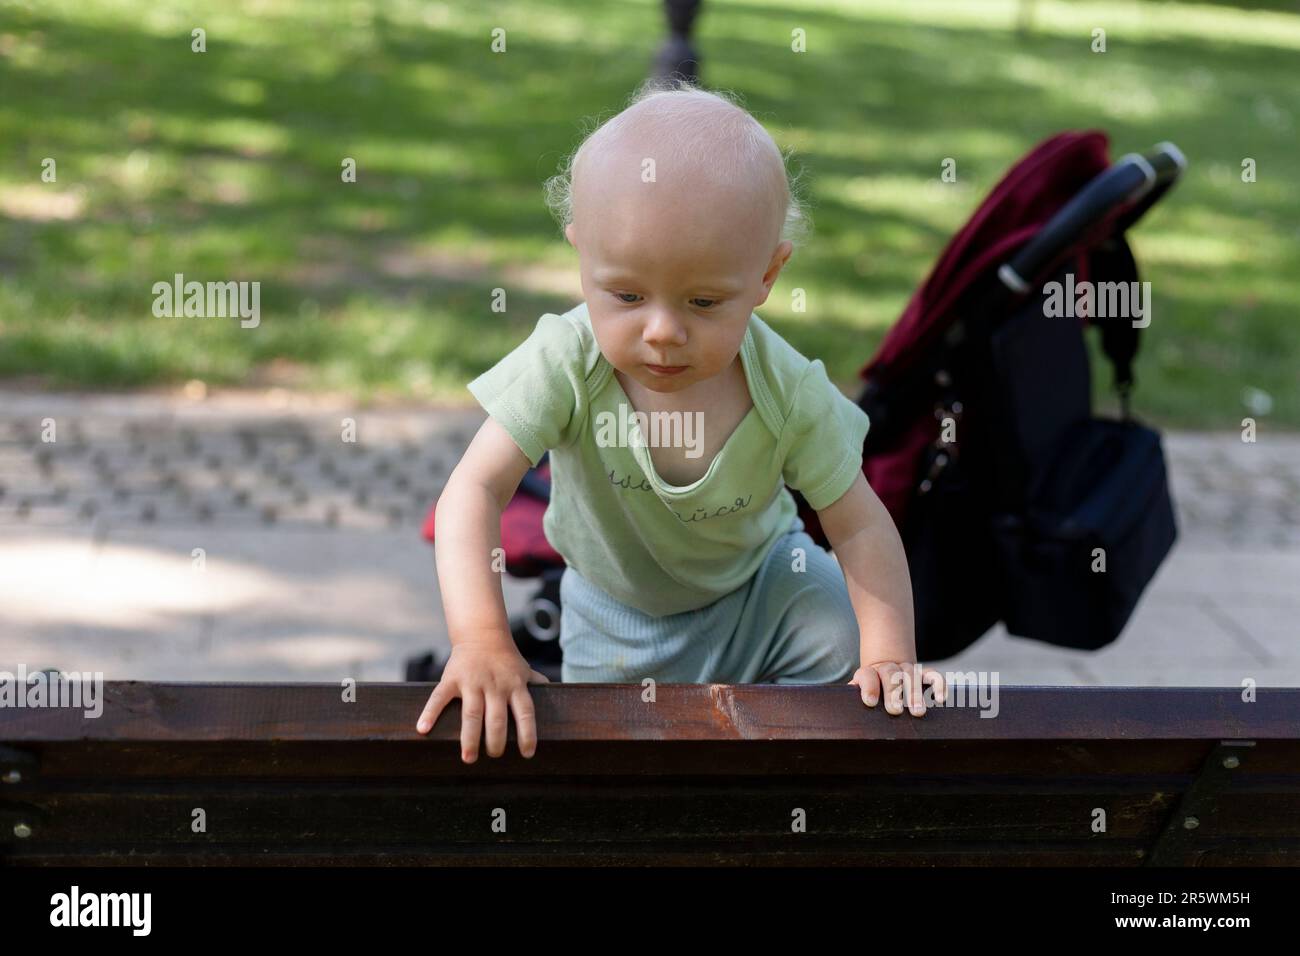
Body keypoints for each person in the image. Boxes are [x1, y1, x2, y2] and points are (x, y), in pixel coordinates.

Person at [417, 78, 944, 763]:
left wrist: (889, 653)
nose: (662, 331)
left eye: (702, 302)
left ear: (767, 275)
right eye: (627, 294)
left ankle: (804, 791)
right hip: (614, 614)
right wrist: (483, 639)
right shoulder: (567, 361)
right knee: (613, 764)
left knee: (836, 635)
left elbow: (859, 522)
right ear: (582, 258)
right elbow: (473, 490)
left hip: (762, 591)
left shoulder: (785, 388)